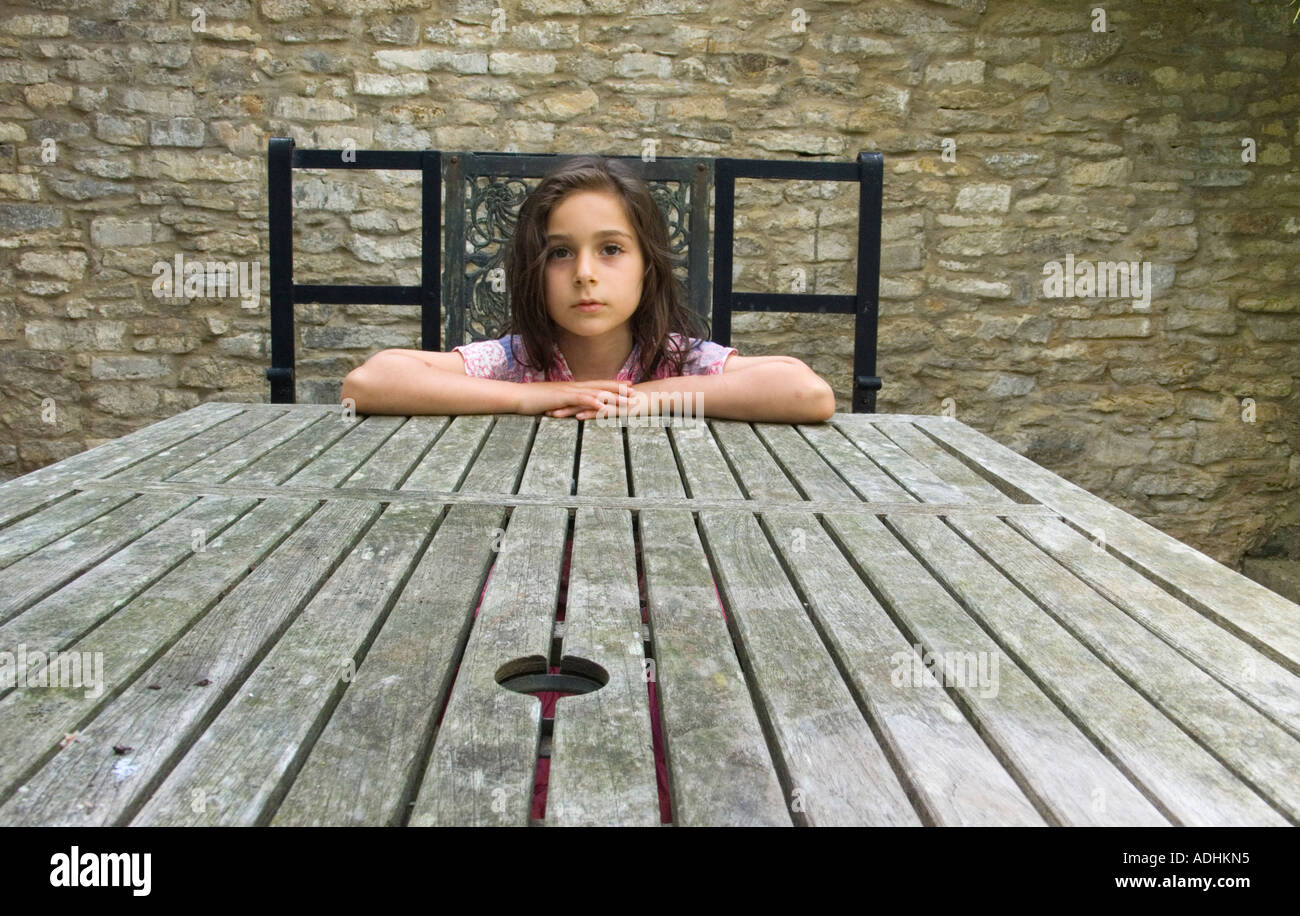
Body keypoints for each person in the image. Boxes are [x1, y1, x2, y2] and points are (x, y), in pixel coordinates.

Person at [340, 155, 836, 423]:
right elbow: (368, 383)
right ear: (534, 270)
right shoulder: (516, 364)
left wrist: (649, 399)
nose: (584, 273)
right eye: (559, 252)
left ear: (648, 266)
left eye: (611, 249)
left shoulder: (674, 360)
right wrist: (532, 397)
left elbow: (806, 393)